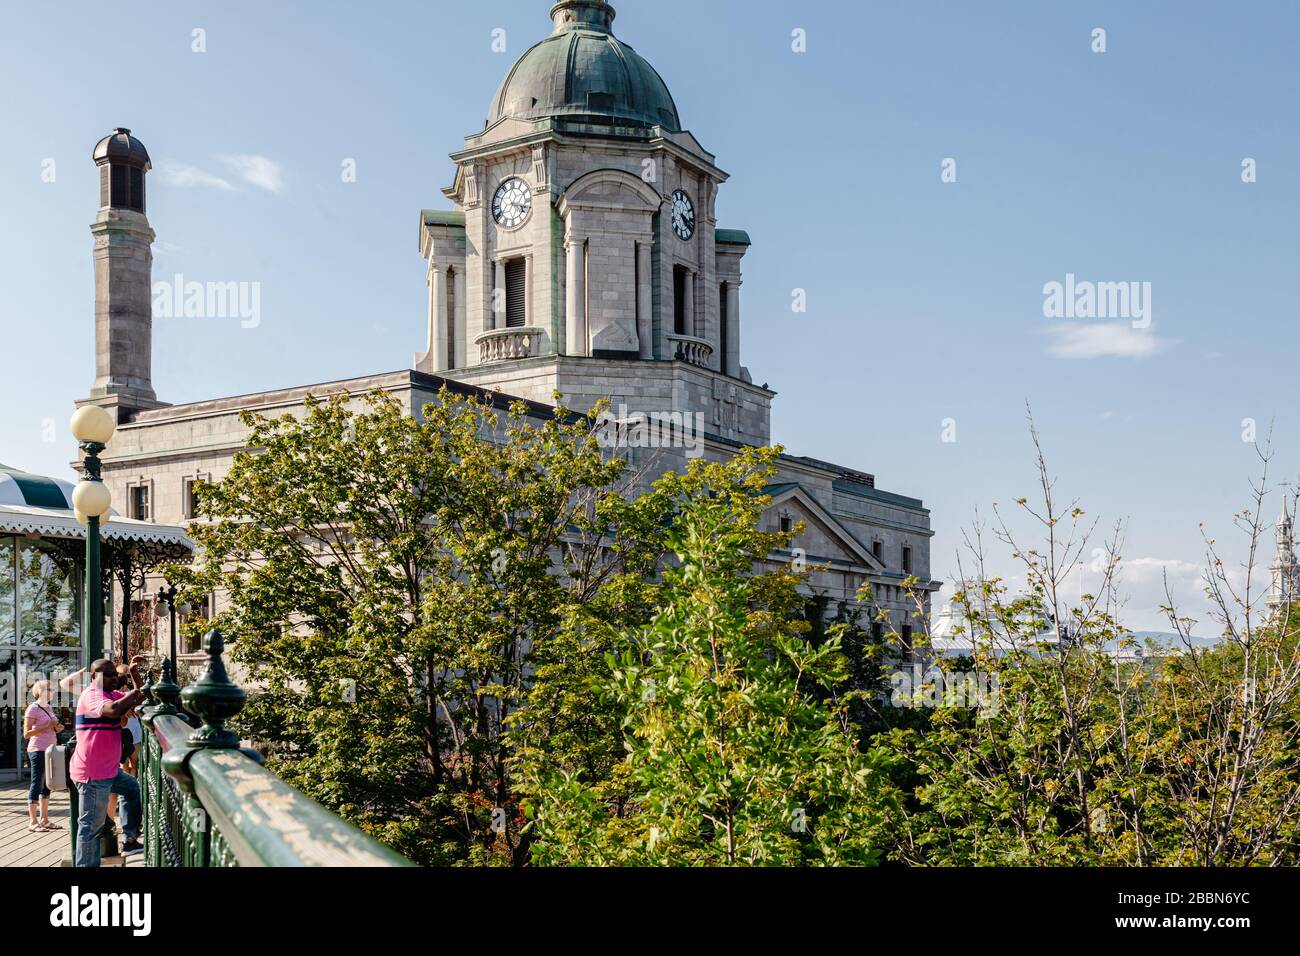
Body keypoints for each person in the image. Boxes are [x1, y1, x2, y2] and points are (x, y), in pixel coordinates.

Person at [71, 658, 146, 865]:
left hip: (109, 770)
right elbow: (113, 709)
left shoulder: (110, 693)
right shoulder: (92, 695)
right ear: (94, 676)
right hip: (93, 774)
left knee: (132, 788)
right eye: (108, 674)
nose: (114, 677)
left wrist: (133, 673)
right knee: (90, 828)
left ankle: (130, 838)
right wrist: (125, 705)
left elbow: (139, 696)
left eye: (115, 674)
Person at [22, 680, 63, 832]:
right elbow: (26, 734)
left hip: (50, 749)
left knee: (47, 784)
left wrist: (57, 727)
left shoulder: (49, 707)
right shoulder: (33, 709)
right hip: (37, 749)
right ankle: (32, 822)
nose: (52, 691)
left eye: (53, 689)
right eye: (49, 689)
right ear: (40, 691)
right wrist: (47, 726)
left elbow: (51, 728)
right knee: (36, 782)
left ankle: (44, 819)